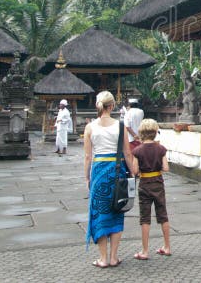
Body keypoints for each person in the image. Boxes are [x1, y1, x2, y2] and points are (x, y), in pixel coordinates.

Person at [84, 90, 134, 268]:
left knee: (100, 212)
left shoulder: (90, 127)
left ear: (97, 105)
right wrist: (133, 173)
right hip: (117, 171)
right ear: (112, 106)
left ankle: (103, 258)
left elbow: (88, 157)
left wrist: (87, 177)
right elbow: (127, 153)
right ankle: (114, 257)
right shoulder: (120, 126)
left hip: (98, 172)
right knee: (116, 211)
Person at [131, 118, 171, 260]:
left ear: (141, 132)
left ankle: (145, 251)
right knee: (163, 214)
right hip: (158, 182)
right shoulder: (161, 149)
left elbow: (135, 171)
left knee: (145, 218)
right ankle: (167, 247)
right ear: (155, 132)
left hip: (144, 184)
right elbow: (166, 168)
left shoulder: (137, 151)